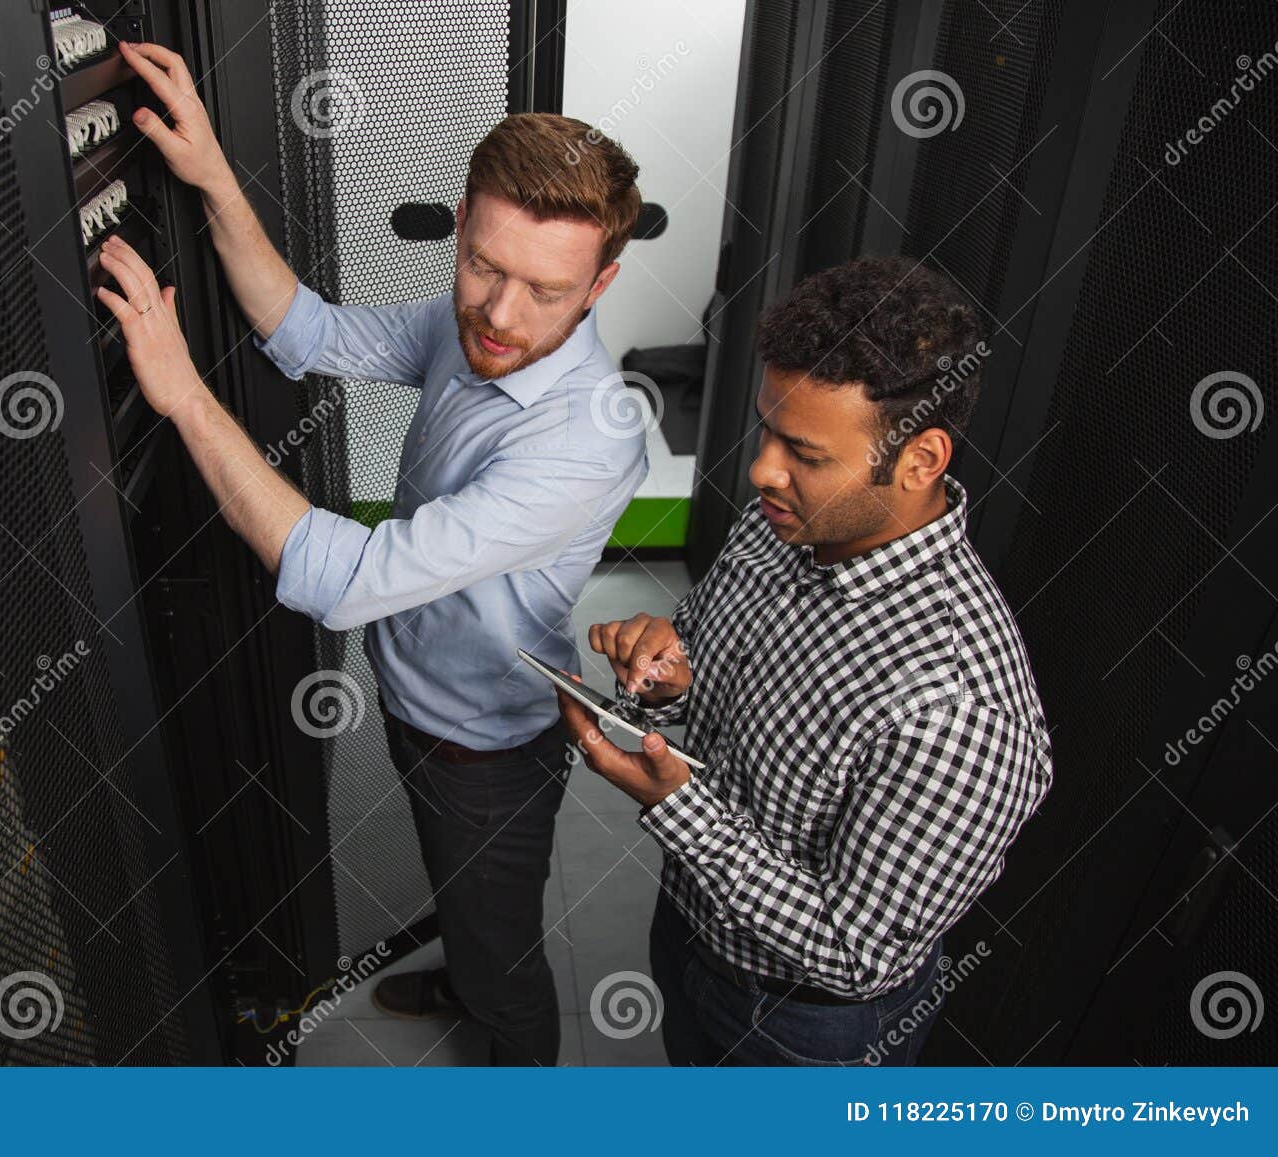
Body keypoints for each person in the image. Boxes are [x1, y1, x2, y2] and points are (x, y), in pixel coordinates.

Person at [97, 40, 648, 1066]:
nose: (498, 311)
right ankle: (469, 961)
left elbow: (347, 579)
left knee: (505, 950)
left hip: (483, 743)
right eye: (482, 264)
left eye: (543, 289)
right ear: (463, 231)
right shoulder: (467, 322)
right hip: (415, 696)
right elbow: (306, 333)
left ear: (601, 279)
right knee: (466, 895)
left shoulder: (586, 434)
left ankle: (509, 1040)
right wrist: (212, 172)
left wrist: (178, 393)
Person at [557, 255, 1054, 1066]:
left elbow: (858, 953)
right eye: (766, 428)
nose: (761, 469)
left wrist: (676, 803)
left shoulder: (959, 708)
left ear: (921, 460)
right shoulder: (781, 522)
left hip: (796, 1023)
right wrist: (670, 680)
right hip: (689, 927)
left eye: (805, 453)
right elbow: (706, 689)